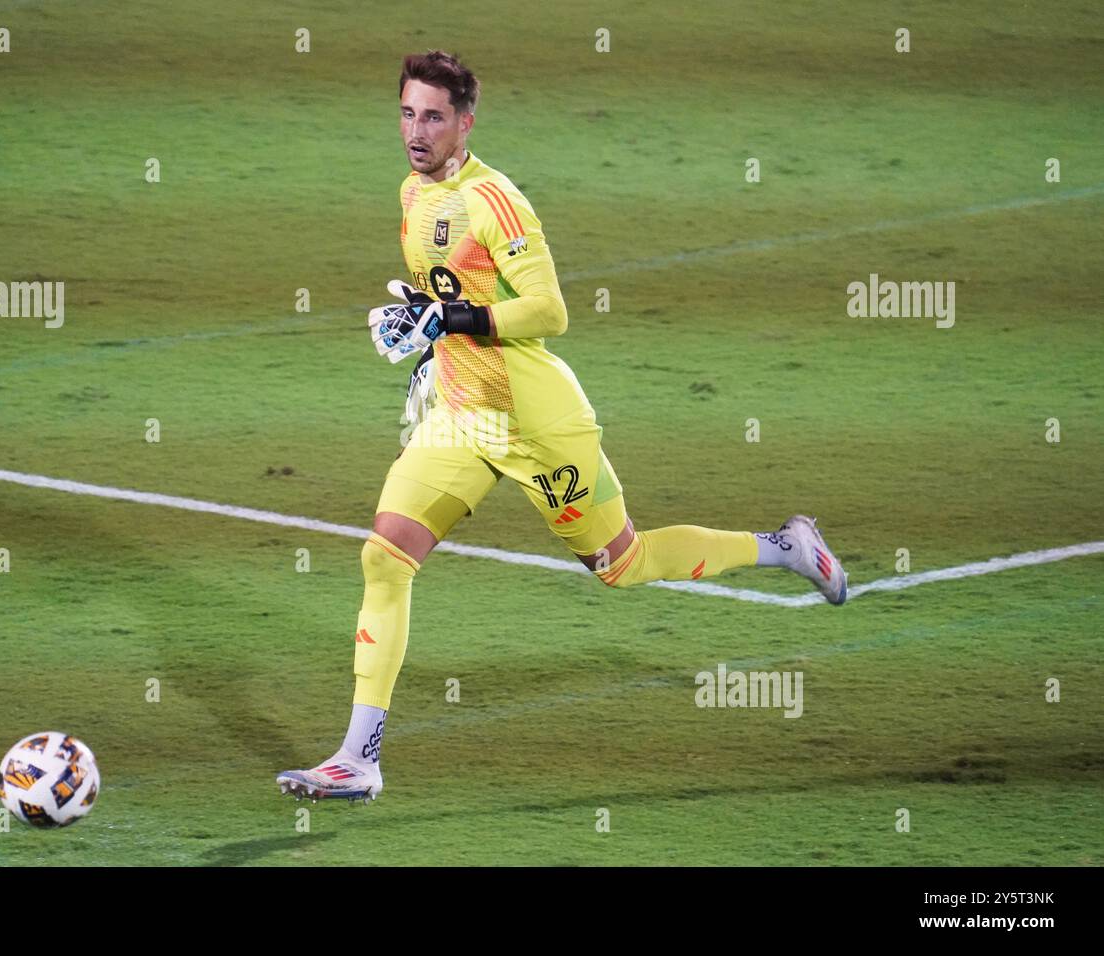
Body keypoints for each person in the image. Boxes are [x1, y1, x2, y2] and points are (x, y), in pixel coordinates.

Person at [276, 50, 846, 804]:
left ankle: (784, 548)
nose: (417, 131)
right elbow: (444, 291)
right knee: (385, 557)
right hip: (461, 416)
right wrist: (431, 344)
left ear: (465, 123)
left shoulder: (496, 201)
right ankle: (359, 756)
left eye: (434, 116)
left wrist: (451, 318)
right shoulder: (413, 193)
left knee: (622, 564)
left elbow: (550, 311)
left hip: (538, 423)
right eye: (408, 113)